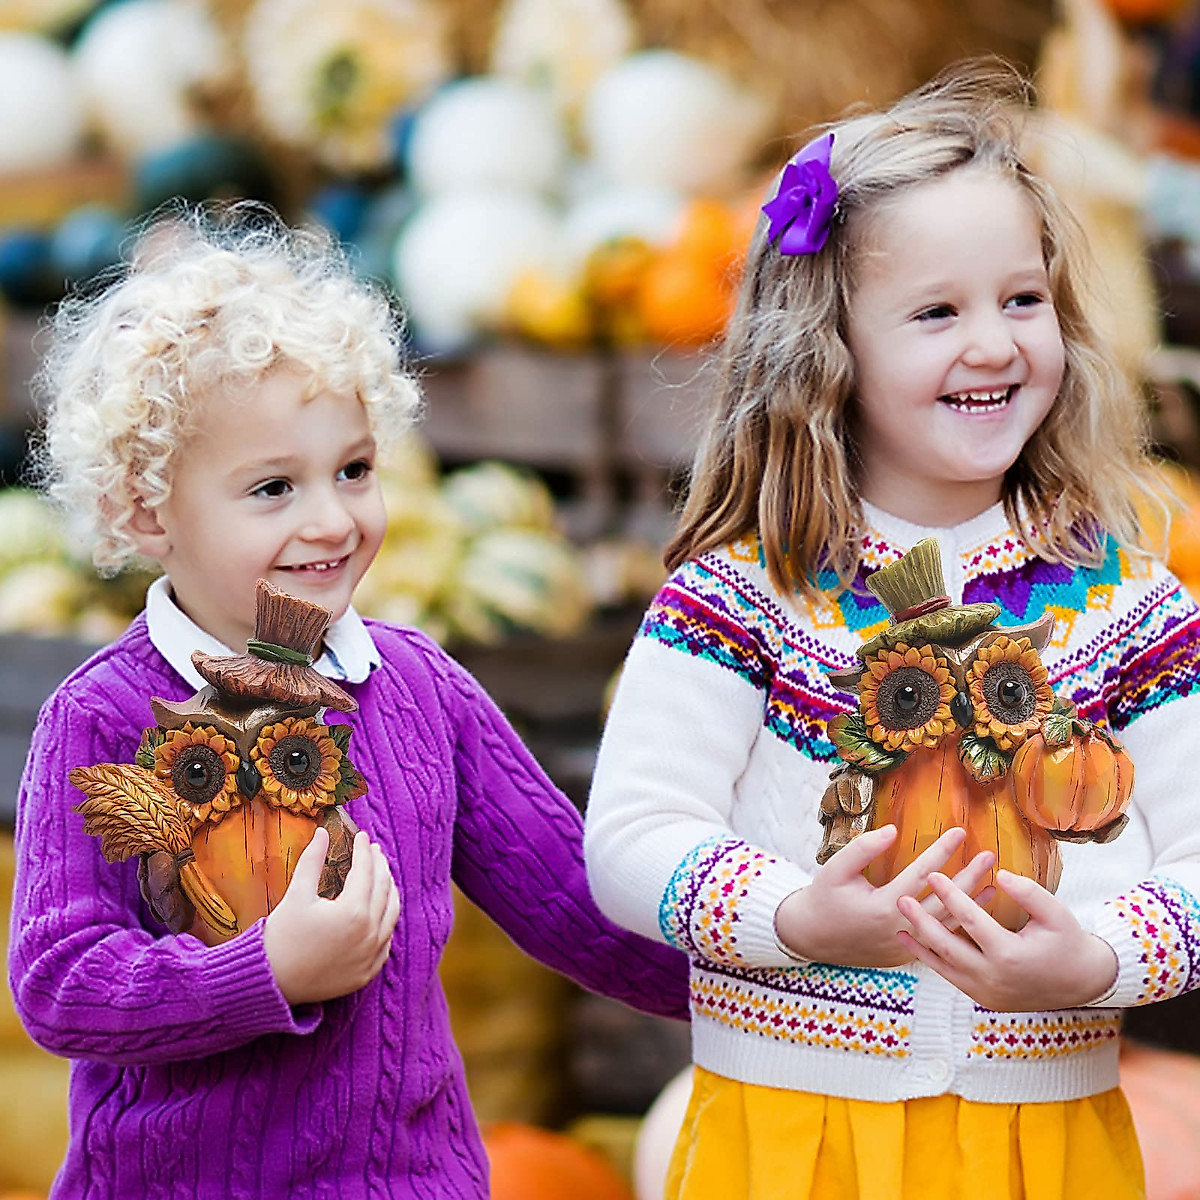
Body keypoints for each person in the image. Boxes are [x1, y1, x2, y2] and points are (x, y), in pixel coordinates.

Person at [585, 61, 1200, 1200]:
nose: (994, 344)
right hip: (792, 1136)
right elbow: (629, 835)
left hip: (1042, 1145)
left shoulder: (1130, 609)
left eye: (1022, 300)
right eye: (937, 312)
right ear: (829, 351)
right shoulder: (745, 599)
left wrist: (1100, 957)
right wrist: (792, 917)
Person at [7, 205, 689, 1199]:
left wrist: (785, 968)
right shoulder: (104, 717)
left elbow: (576, 904)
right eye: (273, 488)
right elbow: (63, 981)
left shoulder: (418, 690)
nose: (332, 520)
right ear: (147, 512)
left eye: (354, 470)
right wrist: (266, 971)